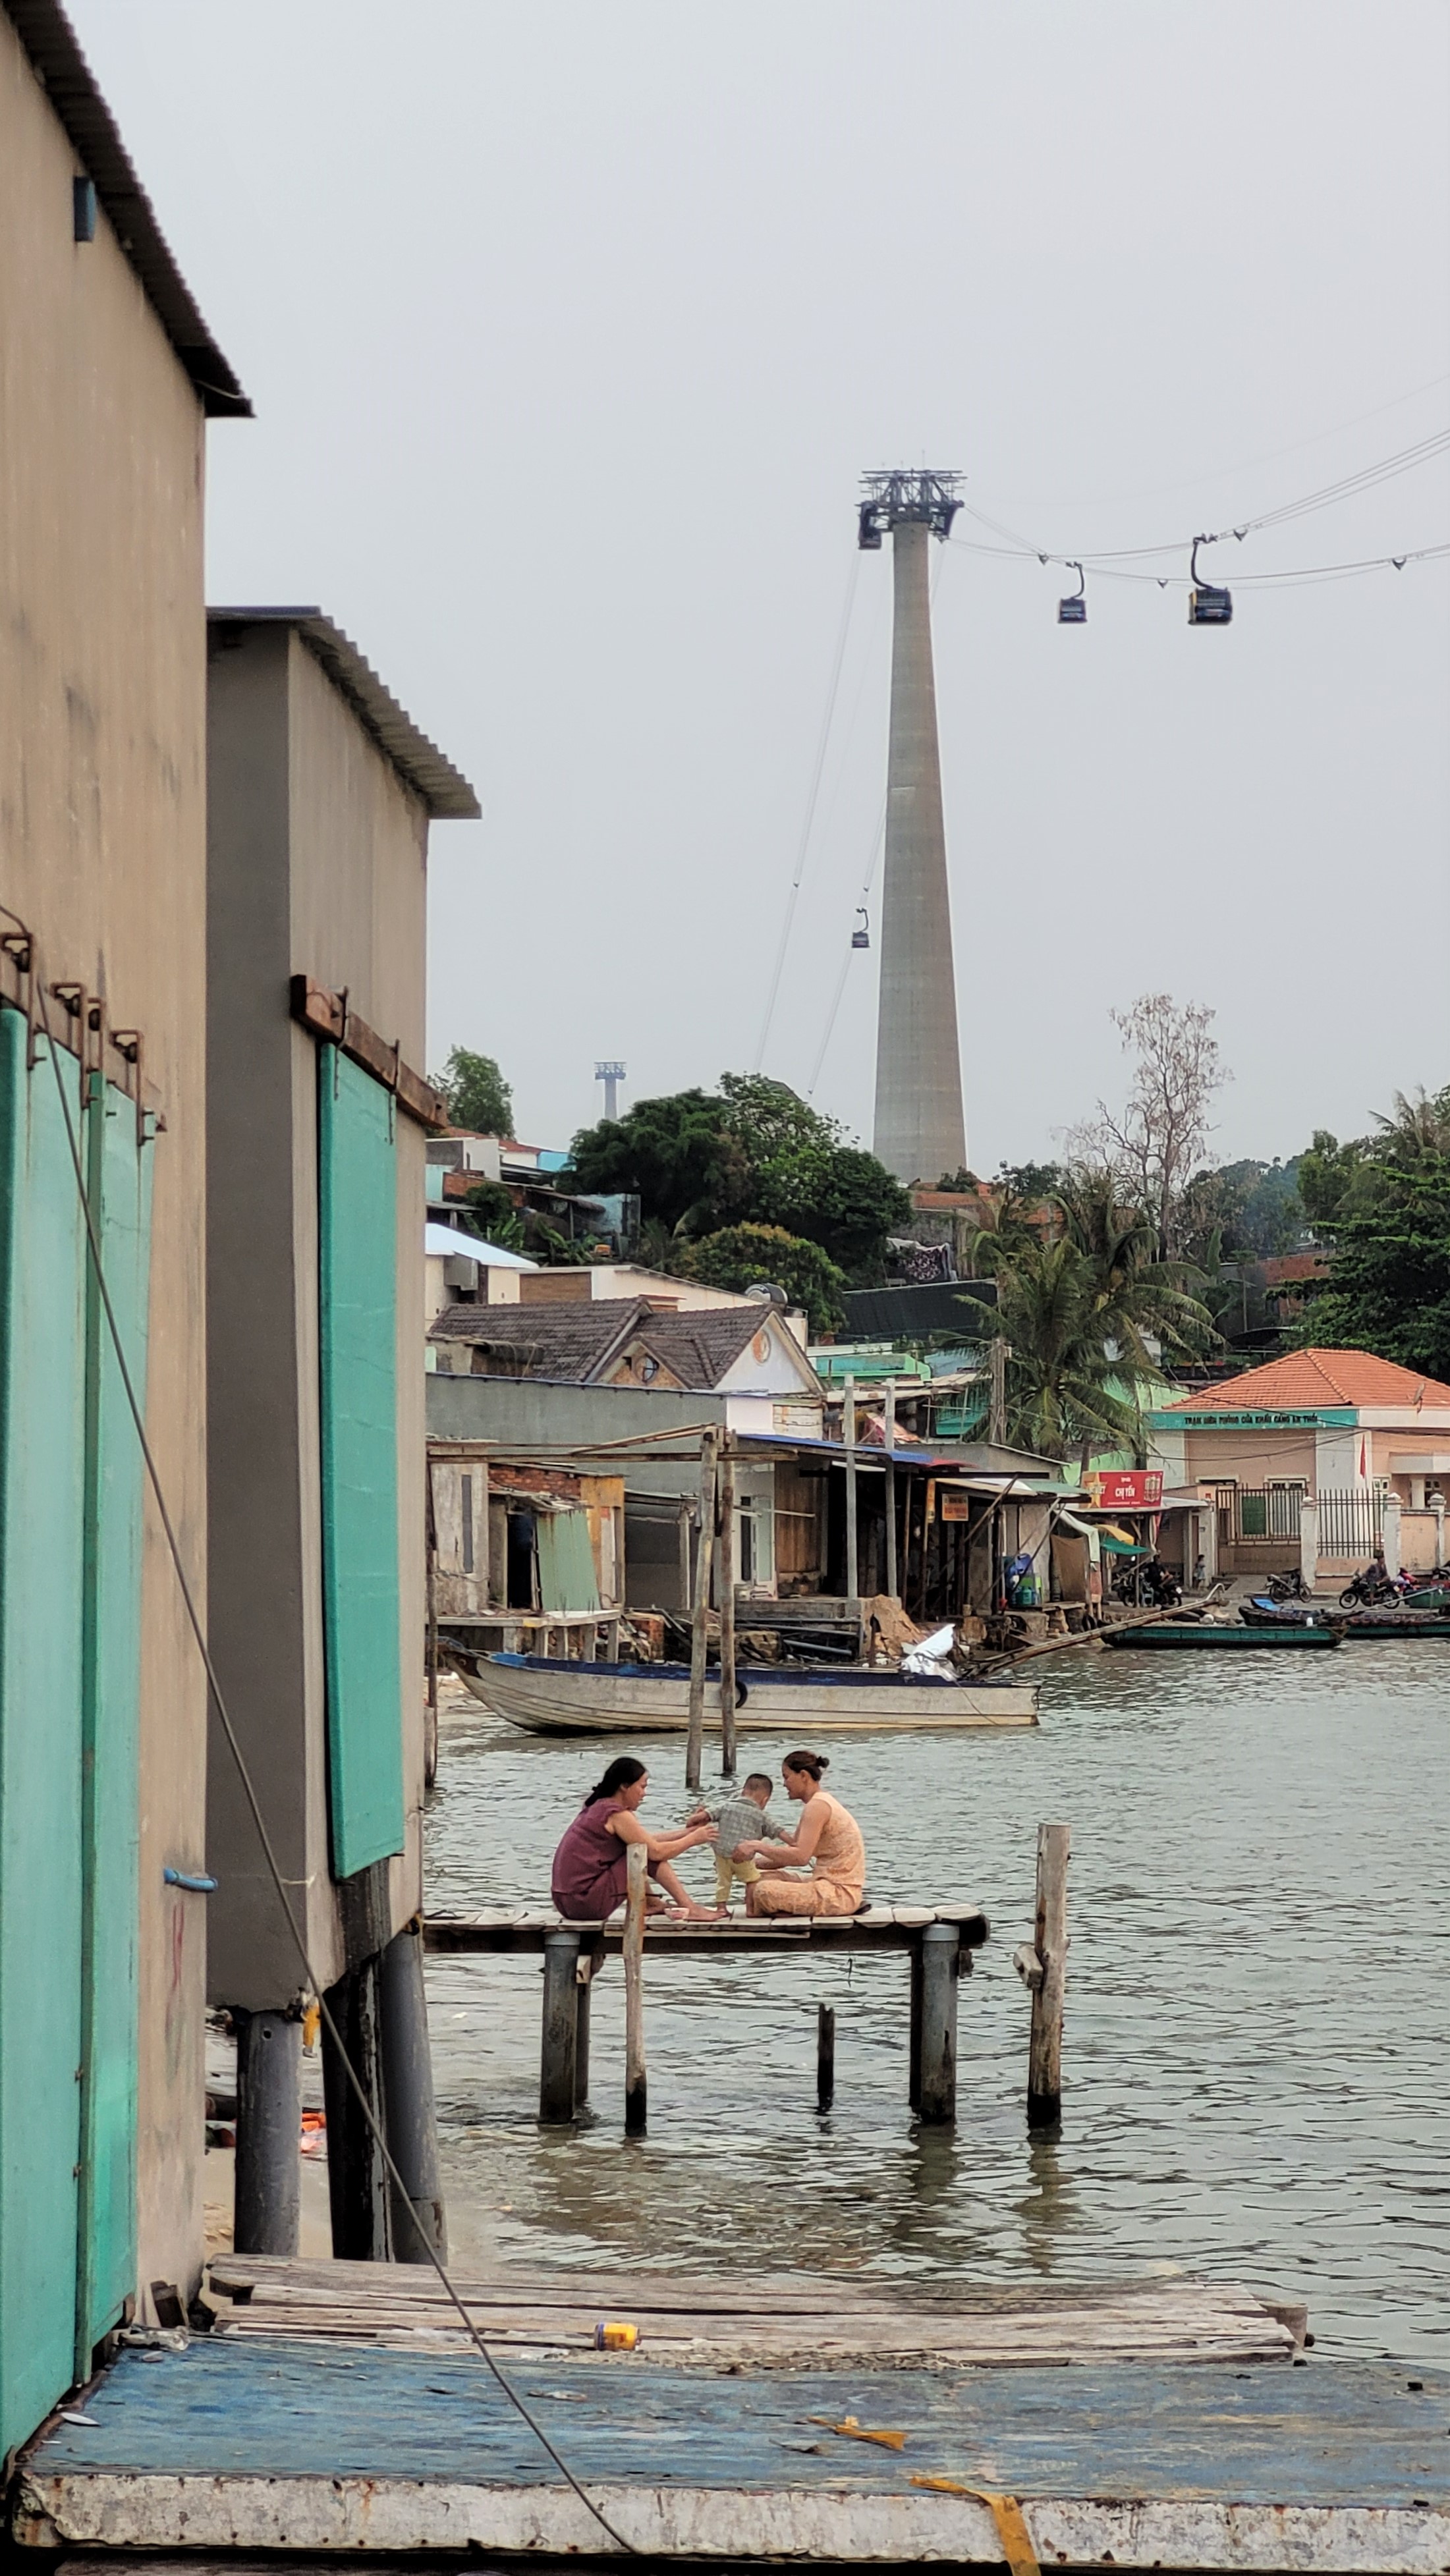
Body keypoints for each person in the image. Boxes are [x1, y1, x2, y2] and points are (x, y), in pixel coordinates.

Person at [551, 1755, 721, 1923]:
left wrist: (689, 1832)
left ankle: (650, 1903)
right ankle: (690, 1908)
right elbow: (656, 1852)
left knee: (639, 1849)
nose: (644, 1794)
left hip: (567, 1902)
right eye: (642, 1787)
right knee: (644, 1854)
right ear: (625, 1786)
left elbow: (646, 1839)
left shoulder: (599, 1807)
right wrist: (693, 1840)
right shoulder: (616, 1814)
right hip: (585, 1903)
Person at [734, 1749, 866, 1918]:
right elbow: (792, 1851)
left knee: (763, 1891)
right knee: (759, 1879)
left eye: (786, 1777)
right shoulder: (817, 1804)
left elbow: (800, 1857)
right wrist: (748, 1864)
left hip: (839, 1894)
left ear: (803, 1776)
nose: (784, 1784)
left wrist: (757, 1846)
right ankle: (767, 1912)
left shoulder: (818, 1806)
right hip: (824, 1885)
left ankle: (774, 1913)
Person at [684, 1772, 790, 1908]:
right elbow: (778, 1831)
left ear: (742, 1792)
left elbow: (701, 1817)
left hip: (721, 1854)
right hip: (743, 1857)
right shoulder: (761, 1816)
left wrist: (691, 1822)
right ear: (765, 1800)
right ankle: (751, 1908)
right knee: (752, 1880)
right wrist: (794, 1842)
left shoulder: (726, 1806)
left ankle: (721, 1909)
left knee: (723, 1882)